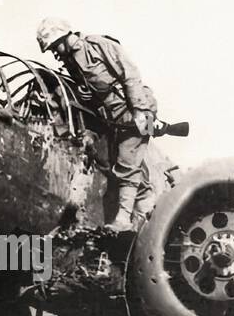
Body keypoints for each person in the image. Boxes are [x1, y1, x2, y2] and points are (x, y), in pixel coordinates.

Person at [36, 17, 159, 231]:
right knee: (122, 163)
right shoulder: (72, 63)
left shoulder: (98, 45)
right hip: (114, 119)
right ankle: (148, 217)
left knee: (127, 163)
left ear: (65, 37)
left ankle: (123, 221)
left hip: (138, 111)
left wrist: (140, 112)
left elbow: (130, 74)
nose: (55, 54)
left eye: (55, 47)